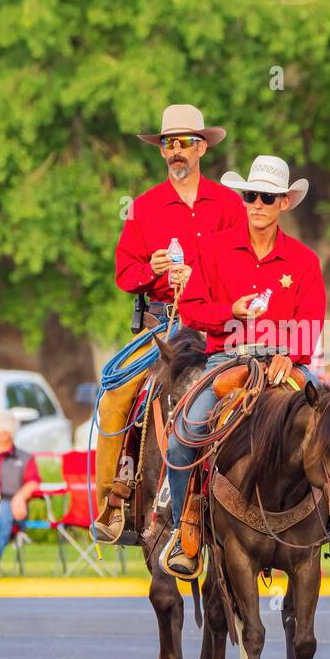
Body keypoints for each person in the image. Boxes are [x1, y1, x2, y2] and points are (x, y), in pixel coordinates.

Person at [160, 155, 326, 579]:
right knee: (183, 437)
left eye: (266, 198)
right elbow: (193, 311)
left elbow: (312, 321)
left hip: (284, 363)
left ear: (284, 203)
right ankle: (187, 530)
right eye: (250, 195)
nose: (256, 204)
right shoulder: (213, 248)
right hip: (225, 359)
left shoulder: (305, 260)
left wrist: (291, 354)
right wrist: (227, 312)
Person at [91, 104, 245, 542]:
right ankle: (111, 504)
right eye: (167, 144)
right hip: (163, 326)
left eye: (184, 143)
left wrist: (206, 280)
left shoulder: (231, 205)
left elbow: (242, 265)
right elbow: (125, 275)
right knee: (115, 394)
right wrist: (153, 270)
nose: (176, 151)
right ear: (161, 152)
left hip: (218, 323)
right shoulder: (143, 207)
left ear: (201, 148)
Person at [0, 411, 41, 578]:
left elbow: (34, 481)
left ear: (4, 434)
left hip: (9, 512)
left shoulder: (25, 458)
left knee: (2, 509)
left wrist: (20, 496)